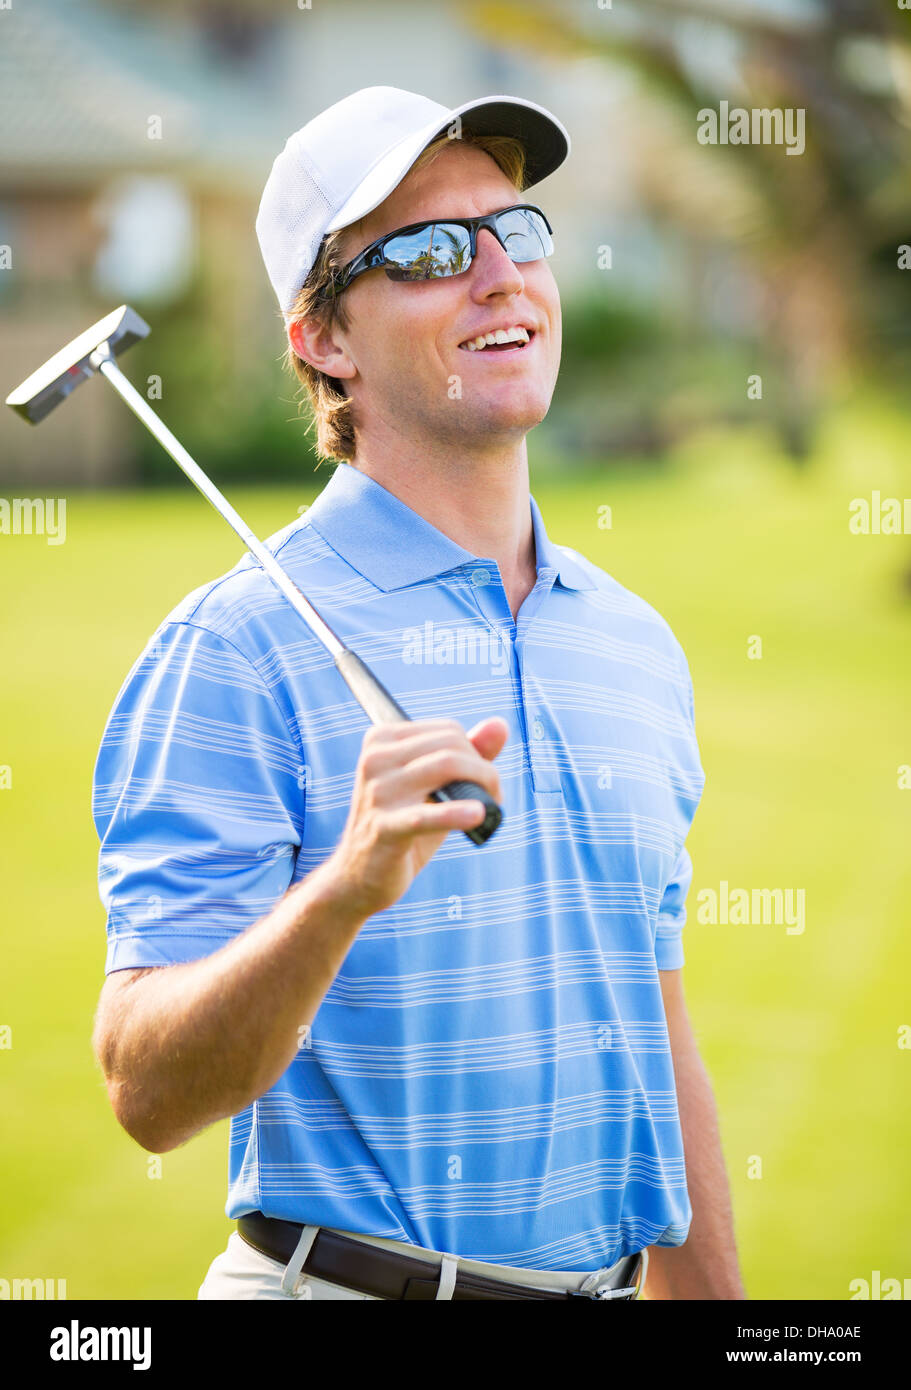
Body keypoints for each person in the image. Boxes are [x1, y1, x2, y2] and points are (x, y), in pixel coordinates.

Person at [91, 85, 746, 1301]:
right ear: (322, 340)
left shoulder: (633, 643)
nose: (499, 275)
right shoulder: (229, 650)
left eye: (518, 231)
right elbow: (145, 1090)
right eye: (434, 252)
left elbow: (651, 1030)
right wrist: (342, 890)